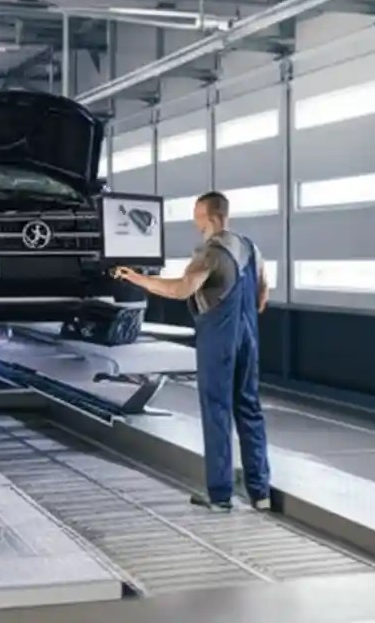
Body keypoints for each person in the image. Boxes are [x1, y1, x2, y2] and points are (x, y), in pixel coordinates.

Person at [113, 191, 271, 512]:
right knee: (249, 409)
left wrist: (137, 278)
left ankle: (220, 495)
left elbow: (180, 289)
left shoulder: (210, 253)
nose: (194, 220)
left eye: (197, 214)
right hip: (248, 337)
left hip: (219, 339)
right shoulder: (251, 248)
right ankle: (261, 493)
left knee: (217, 412)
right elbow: (263, 292)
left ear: (210, 217)